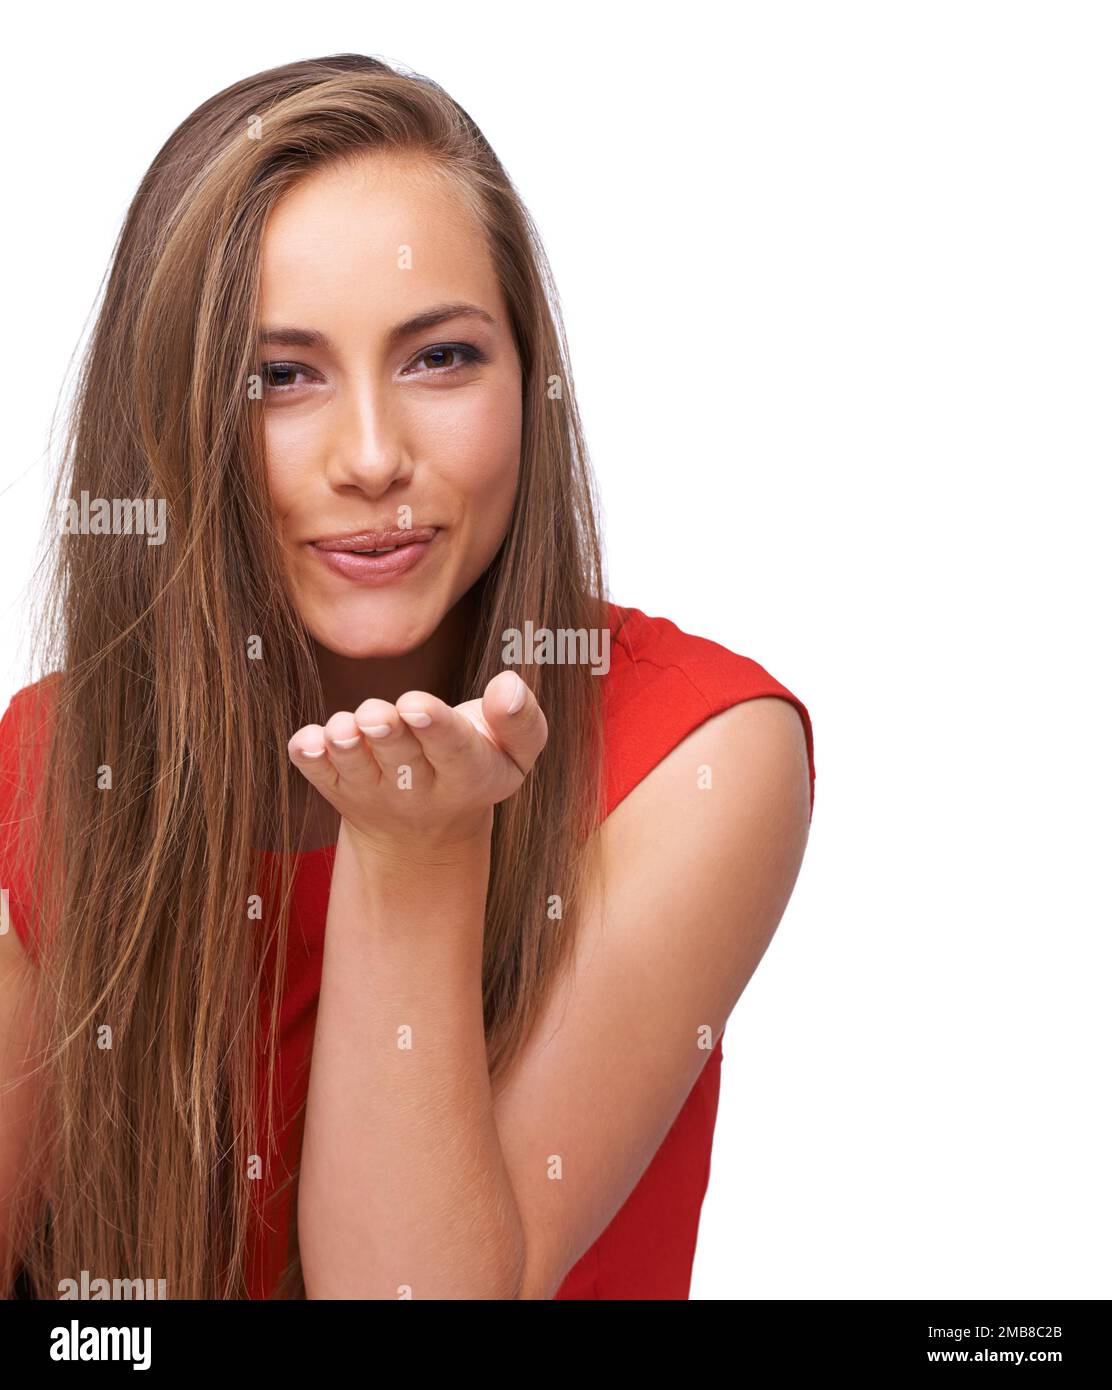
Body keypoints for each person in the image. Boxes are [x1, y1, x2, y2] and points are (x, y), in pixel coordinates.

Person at [0, 53, 815, 1300]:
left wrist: (416, 849)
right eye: (279, 377)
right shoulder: (55, 757)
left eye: (439, 359)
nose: (374, 456)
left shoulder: (701, 751)